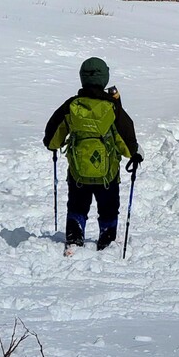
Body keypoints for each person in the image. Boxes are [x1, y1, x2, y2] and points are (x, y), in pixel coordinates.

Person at [43, 57, 142, 252]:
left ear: (82, 77)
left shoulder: (71, 105)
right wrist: (135, 153)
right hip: (108, 175)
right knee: (109, 207)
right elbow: (127, 142)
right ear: (105, 78)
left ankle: (74, 236)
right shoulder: (113, 108)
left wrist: (54, 144)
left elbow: (52, 139)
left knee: (77, 205)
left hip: (78, 173)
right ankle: (107, 238)